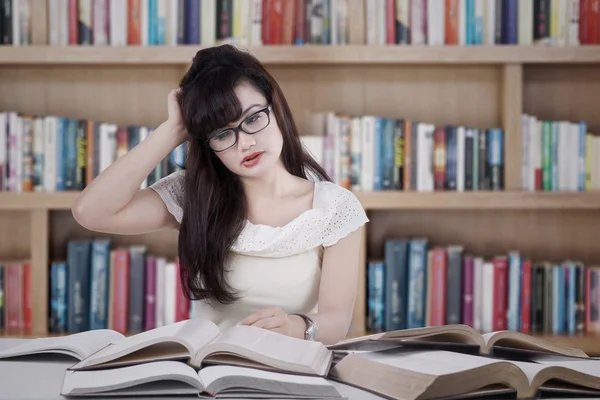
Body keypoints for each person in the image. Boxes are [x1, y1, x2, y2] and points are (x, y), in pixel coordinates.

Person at [72, 44, 369, 346]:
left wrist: (296, 326)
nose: (245, 144)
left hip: (288, 370)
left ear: (275, 108)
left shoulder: (334, 207)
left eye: (253, 119)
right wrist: (173, 130)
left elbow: (336, 321)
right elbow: (91, 212)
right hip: (209, 374)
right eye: (222, 134)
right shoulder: (194, 197)